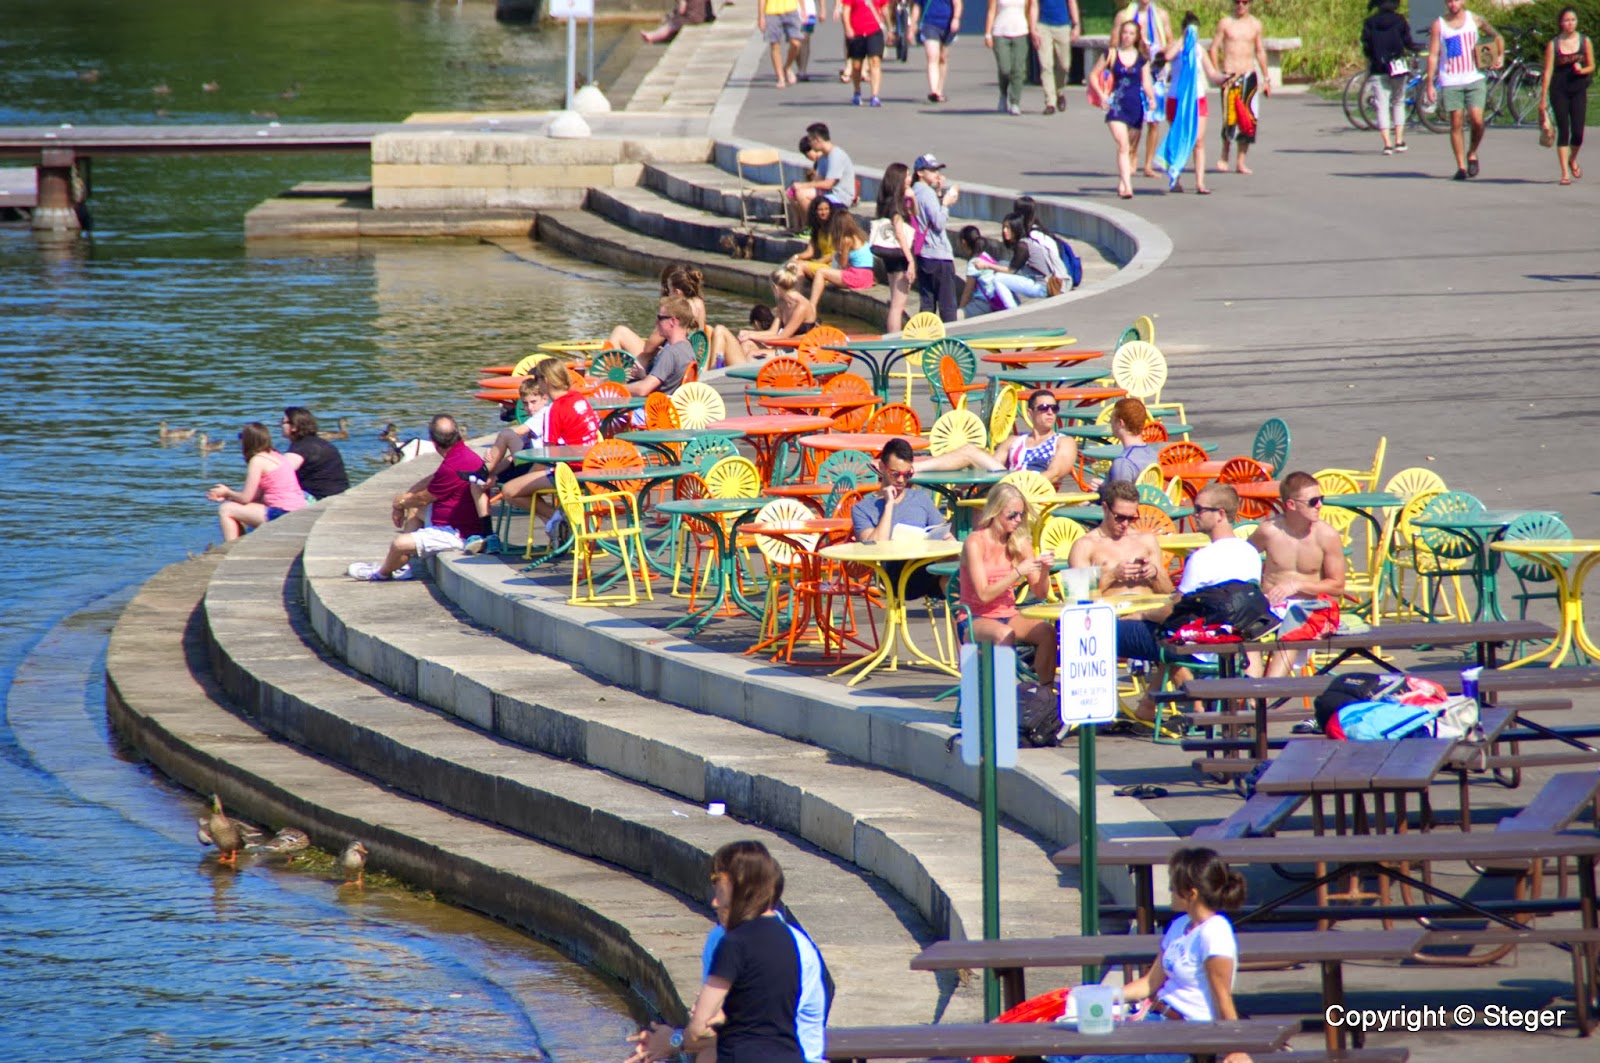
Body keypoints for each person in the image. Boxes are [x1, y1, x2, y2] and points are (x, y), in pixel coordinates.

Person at [629, 842, 832, 1063]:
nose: (714, 902)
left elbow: (701, 1028)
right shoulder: (786, 939)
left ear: (742, 889)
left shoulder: (734, 943)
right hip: (785, 1055)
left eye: (719, 888)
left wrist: (673, 1039)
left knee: (709, 1055)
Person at [1044, 848, 1250, 1063]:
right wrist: (1102, 995)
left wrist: (1236, 1047)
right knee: (1059, 1054)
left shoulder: (1215, 932)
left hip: (1184, 1033)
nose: (1169, 890)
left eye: (1173, 886)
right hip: (1154, 1019)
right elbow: (1150, 983)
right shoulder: (1180, 925)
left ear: (1192, 893)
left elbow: (1222, 995)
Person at [1067, 480, 1174, 719]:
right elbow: (1078, 599)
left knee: (1183, 633)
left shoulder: (1146, 541)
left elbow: (1167, 591)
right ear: (1105, 508)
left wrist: (1154, 574)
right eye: (1120, 517)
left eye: (1131, 518)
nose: (1125, 524)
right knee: (1173, 643)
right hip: (1114, 620)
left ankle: (1157, 705)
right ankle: (1197, 709)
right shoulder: (1085, 546)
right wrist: (1113, 575)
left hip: (1152, 613)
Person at [347, 415, 488, 581]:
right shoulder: (461, 455)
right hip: (453, 522)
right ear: (457, 434)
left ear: (434, 442)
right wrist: (405, 498)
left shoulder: (452, 465)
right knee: (414, 508)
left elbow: (423, 498)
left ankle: (380, 573)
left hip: (457, 533)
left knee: (398, 544)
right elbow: (431, 480)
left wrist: (398, 504)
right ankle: (403, 566)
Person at [1248, 470, 1346, 677]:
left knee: (1292, 631)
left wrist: (1297, 585)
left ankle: (1268, 689)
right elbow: (1241, 559)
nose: (1320, 505)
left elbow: (1337, 586)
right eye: (1313, 501)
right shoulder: (1268, 531)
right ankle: (1251, 688)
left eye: (1321, 499)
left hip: (1308, 607)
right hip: (1270, 606)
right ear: (1291, 505)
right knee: (1245, 629)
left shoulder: (1326, 535)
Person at [960, 483, 1058, 685]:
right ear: (995, 512)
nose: (1018, 520)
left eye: (1021, 515)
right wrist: (1017, 572)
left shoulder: (1019, 542)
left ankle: (1044, 692)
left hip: (1008, 614)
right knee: (1004, 634)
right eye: (1012, 515)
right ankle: (1003, 694)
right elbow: (983, 595)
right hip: (975, 617)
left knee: (1047, 631)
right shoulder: (975, 542)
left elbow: (1040, 593)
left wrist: (1045, 570)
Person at [492, 360, 601, 541]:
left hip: (568, 472)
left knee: (510, 490)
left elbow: (547, 456)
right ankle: (555, 525)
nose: (537, 383)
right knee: (525, 485)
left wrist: (527, 479)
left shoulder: (555, 409)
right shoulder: (579, 398)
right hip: (591, 466)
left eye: (537, 379)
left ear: (546, 381)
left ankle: (558, 518)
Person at [852, 438, 956, 603]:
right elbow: (875, 548)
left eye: (907, 475)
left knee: (954, 579)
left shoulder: (920, 498)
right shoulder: (863, 508)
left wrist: (948, 539)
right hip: (895, 577)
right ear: (881, 468)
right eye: (895, 474)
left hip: (929, 571)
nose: (901, 480)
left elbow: (940, 531)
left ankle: (966, 619)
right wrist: (889, 505)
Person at [1424, 0, 1503, 181]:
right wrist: (1430, 83)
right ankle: (1461, 166)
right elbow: (1433, 55)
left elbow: (1496, 36)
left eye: (1456, 0)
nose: (1453, 4)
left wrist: (1499, 55)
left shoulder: (1474, 19)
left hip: (1474, 77)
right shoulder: (1439, 24)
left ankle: (1472, 152)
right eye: (1449, 1)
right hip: (1451, 79)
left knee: (1477, 120)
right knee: (1456, 122)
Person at [1158, 13, 1229, 194]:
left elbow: (1212, 73)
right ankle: (1175, 179)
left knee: (1198, 140)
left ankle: (1200, 182)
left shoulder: (1199, 50)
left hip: (1197, 98)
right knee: (1178, 138)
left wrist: (1223, 78)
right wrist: (1182, 39)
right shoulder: (1177, 48)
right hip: (1177, 98)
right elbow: (1167, 56)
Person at [207, 421, 306, 542]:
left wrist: (227, 492)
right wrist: (229, 496)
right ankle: (240, 543)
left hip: (282, 513)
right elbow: (255, 496)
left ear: (248, 441)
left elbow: (245, 498)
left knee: (226, 509)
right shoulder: (276, 455)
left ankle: (231, 548)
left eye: (241, 437)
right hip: (298, 510)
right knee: (236, 506)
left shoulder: (257, 460)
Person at [1092, 19, 1156, 199]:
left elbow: (1146, 82)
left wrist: (1152, 98)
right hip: (1116, 106)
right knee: (1123, 144)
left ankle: (1123, 180)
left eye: (1131, 33)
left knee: (1129, 149)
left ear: (1136, 37)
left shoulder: (1142, 59)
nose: (1127, 36)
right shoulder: (1111, 54)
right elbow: (1093, 75)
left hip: (1135, 106)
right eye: (1125, 32)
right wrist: (1101, 95)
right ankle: (1128, 187)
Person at [1209, 0, 1270, 174]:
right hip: (1230, 75)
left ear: (1250, 4)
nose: (1240, 5)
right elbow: (1214, 48)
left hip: (1248, 75)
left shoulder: (1255, 25)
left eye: (1244, 2)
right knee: (1229, 118)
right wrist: (1217, 73)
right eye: (1237, 2)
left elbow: (1260, 51)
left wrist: (1266, 78)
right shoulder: (1226, 23)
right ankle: (1225, 154)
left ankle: (1241, 161)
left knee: (1248, 120)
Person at [1113, 0, 1172, 177]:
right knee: (1134, 118)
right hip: (1132, 71)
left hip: (1155, 72)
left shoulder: (1161, 16)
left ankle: (1148, 164)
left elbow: (1170, 41)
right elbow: (1113, 43)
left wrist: (1158, 53)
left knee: (1154, 121)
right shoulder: (1124, 16)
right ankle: (1131, 154)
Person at [710, 264, 816, 363]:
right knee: (746, 344)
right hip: (785, 348)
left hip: (800, 352)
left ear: (775, 288)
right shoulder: (783, 303)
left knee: (752, 355)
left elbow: (782, 337)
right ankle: (732, 370)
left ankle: (732, 369)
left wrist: (752, 336)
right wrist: (748, 333)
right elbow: (772, 332)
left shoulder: (801, 306)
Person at [607, 264, 707, 368]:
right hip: (690, 360)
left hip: (668, 362)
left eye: (669, 289)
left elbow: (648, 348)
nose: (667, 293)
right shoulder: (699, 303)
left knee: (619, 331)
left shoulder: (673, 309)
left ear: (677, 292)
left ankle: (612, 373)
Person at [1539, 7, 1594, 185]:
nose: (1570, 23)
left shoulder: (1584, 41)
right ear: (1561, 23)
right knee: (1564, 130)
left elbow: (1592, 66)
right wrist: (1543, 99)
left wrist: (1582, 70)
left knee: (1578, 133)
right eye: (1566, 20)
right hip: (1559, 90)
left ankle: (1572, 158)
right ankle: (1564, 173)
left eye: (1573, 20)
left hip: (1578, 88)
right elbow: (1548, 72)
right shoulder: (1553, 44)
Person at [1360, 0, 1419, 156]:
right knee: (1398, 101)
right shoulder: (1400, 20)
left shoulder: (1370, 22)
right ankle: (1399, 141)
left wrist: (1374, 58)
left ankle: (1387, 144)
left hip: (1378, 68)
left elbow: (1366, 46)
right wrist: (1417, 48)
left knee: (1382, 105)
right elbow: (1407, 42)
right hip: (1397, 66)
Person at [910, 153, 960, 322]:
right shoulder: (926, 193)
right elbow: (938, 223)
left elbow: (925, 216)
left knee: (927, 305)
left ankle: (925, 336)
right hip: (939, 256)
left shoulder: (914, 191)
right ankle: (951, 338)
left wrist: (938, 192)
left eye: (937, 170)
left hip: (923, 255)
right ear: (920, 173)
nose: (936, 174)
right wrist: (945, 204)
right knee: (947, 306)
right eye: (932, 170)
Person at [870, 161, 918, 332]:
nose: (910, 179)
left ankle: (892, 336)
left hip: (891, 256)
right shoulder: (896, 205)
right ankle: (895, 339)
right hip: (900, 257)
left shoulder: (888, 201)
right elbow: (899, 233)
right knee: (897, 307)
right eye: (907, 176)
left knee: (895, 302)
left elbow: (915, 214)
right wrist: (910, 261)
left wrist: (912, 198)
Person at [999, 390, 1082, 487]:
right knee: (982, 456)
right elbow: (991, 469)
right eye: (1043, 408)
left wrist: (1019, 486)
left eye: (1054, 408)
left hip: (1037, 492)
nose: (1050, 412)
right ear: (1030, 413)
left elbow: (1054, 474)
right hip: (1008, 489)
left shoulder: (1063, 441)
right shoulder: (1013, 441)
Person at [627, 296, 698, 401]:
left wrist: (616, 387)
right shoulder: (688, 348)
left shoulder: (670, 353)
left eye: (660, 318)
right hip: (669, 404)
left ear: (672, 321)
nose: (656, 322)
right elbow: (668, 384)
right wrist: (644, 377)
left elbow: (643, 390)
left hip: (652, 407)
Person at [807, 211, 876, 306]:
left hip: (858, 277)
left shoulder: (846, 240)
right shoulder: (860, 236)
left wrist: (837, 255)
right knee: (828, 276)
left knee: (821, 272)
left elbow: (843, 264)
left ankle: (812, 306)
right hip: (868, 276)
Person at [280, 406, 348, 500]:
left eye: (283, 422)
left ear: (294, 427)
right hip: (339, 495)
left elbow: (278, 474)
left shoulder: (300, 448)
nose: (280, 425)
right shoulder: (320, 443)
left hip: (319, 499)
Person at [788, 123, 856, 216]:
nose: (810, 144)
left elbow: (828, 184)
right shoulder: (823, 157)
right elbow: (818, 180)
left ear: (817, 140)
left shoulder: (836, 155)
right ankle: (804, 224)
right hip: (828, 193)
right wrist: (798, 187)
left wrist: (803, 186)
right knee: (793, 193)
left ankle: (812, 224)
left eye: (810, 140)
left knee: (802, 194)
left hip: (840, 197)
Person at [956, 225, 1019, 316]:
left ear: (963, 242)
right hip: (996, 297)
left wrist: (961, 308)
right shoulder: (985, 256)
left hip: (985, 302)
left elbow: (967, 292)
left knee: (958, 316)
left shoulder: (974, 263)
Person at [984, 0, 1032, 116]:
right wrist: (988, 34)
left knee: (1018, 69)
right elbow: (991, 11)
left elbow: (1029, 9)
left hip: (1021, 32)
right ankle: (1003, 94)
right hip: (1000, 32)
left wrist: (1031, 28)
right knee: (1004, 68)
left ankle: (1015, 102)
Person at [1034, 0, 1080, 114]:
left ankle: (1059, 91)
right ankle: (1050, 102)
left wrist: (1076, 25)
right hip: (1043, 26)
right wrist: (1033, 28)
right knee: (1046, 66)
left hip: (1063, 26)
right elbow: (1034, 5)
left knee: (1064, 66)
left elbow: (1072, 2)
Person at [841, 0, 890, 107]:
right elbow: (845, 11)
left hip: (874, 31)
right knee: (856, 66)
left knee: (875, 61)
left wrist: (890, 28)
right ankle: (857, 91)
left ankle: (874, 95)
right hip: (856, 32)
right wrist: (848, 28)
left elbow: (885, 9)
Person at [914, 0, 961, 102]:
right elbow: (917, 6)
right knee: (932, 57)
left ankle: (939, 90)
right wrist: (913, 24)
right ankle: (934, 91)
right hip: (929, 24)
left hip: (947, 25)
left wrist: (956, 18)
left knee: (943, 58)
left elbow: (957, 3)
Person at [1105, 397, 1159, 484]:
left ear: (1120, 423)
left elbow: (1120, 492)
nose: (1110, 423)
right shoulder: (1152, 454)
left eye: (1111, 419)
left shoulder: (1123, 463)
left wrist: (1103, 488)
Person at [761, 0, 806, 87]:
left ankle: (787, 67)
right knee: (774, 44)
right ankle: (780, 78)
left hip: (791, 9)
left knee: (796, 43)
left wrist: (803, 9)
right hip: (771, 11)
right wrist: (761, 16)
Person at [641, 0, 713, 44]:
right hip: (702, 18)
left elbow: (682, 10)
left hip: (691, 19)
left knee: (670, 25)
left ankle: (652, 37)